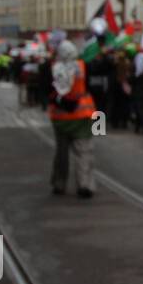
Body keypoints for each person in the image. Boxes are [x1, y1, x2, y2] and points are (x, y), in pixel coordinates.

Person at [48, 40, 97, 199]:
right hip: (82, 117)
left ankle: (59, 183)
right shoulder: (83, 67)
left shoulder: (52, 69)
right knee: (84, 152)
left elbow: (47, 92)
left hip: (60, 118)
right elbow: (94, 93)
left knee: (61, 153)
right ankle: (84, 184)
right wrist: (100, 126)